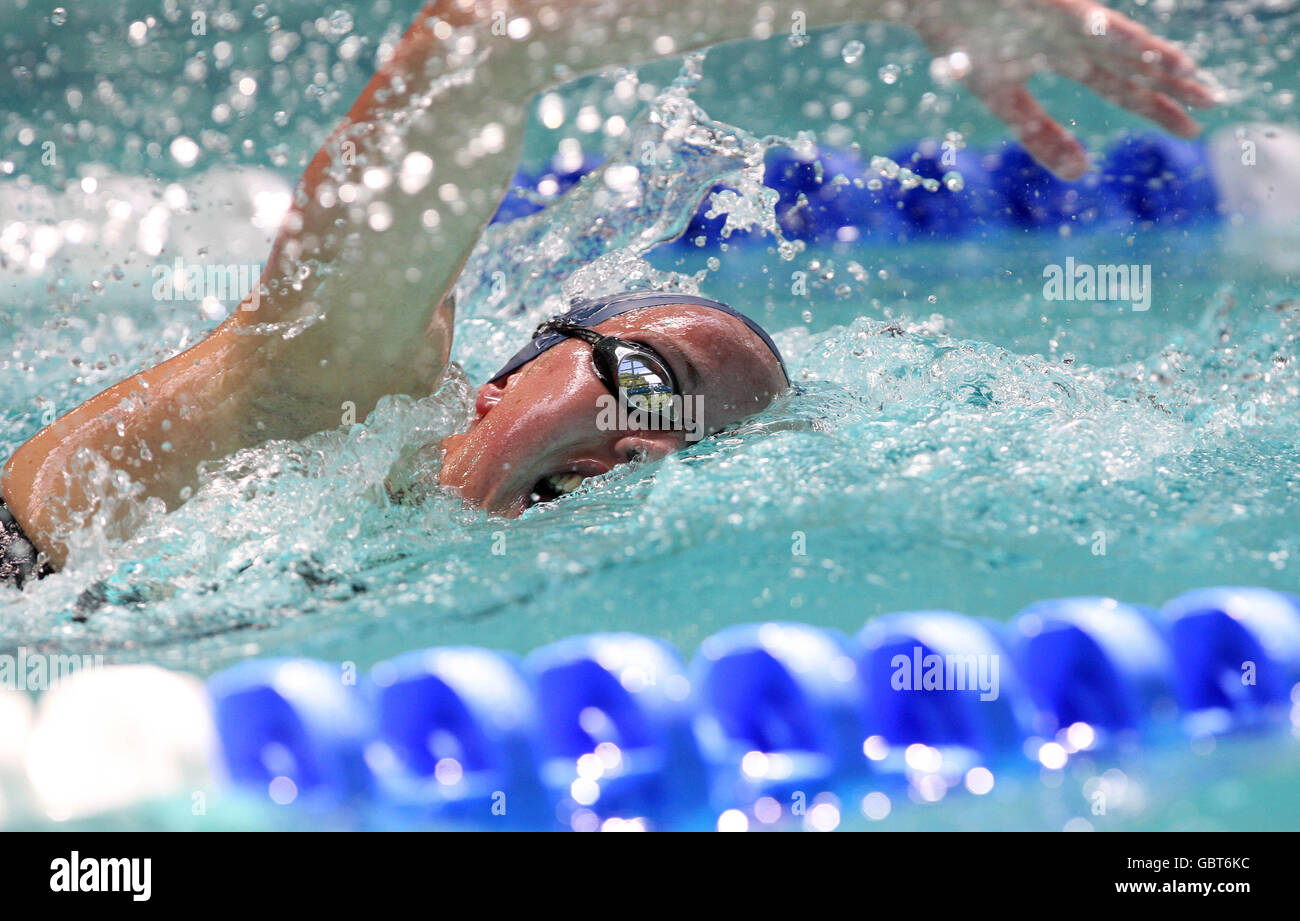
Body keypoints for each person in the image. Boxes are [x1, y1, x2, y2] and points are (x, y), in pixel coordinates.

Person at [0, 0, 1216, 584]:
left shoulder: (437, 584)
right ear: (496, 383)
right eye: (647, 382)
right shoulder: (337, 383)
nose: (649, 445)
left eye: (692, 443)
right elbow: (473, 44)